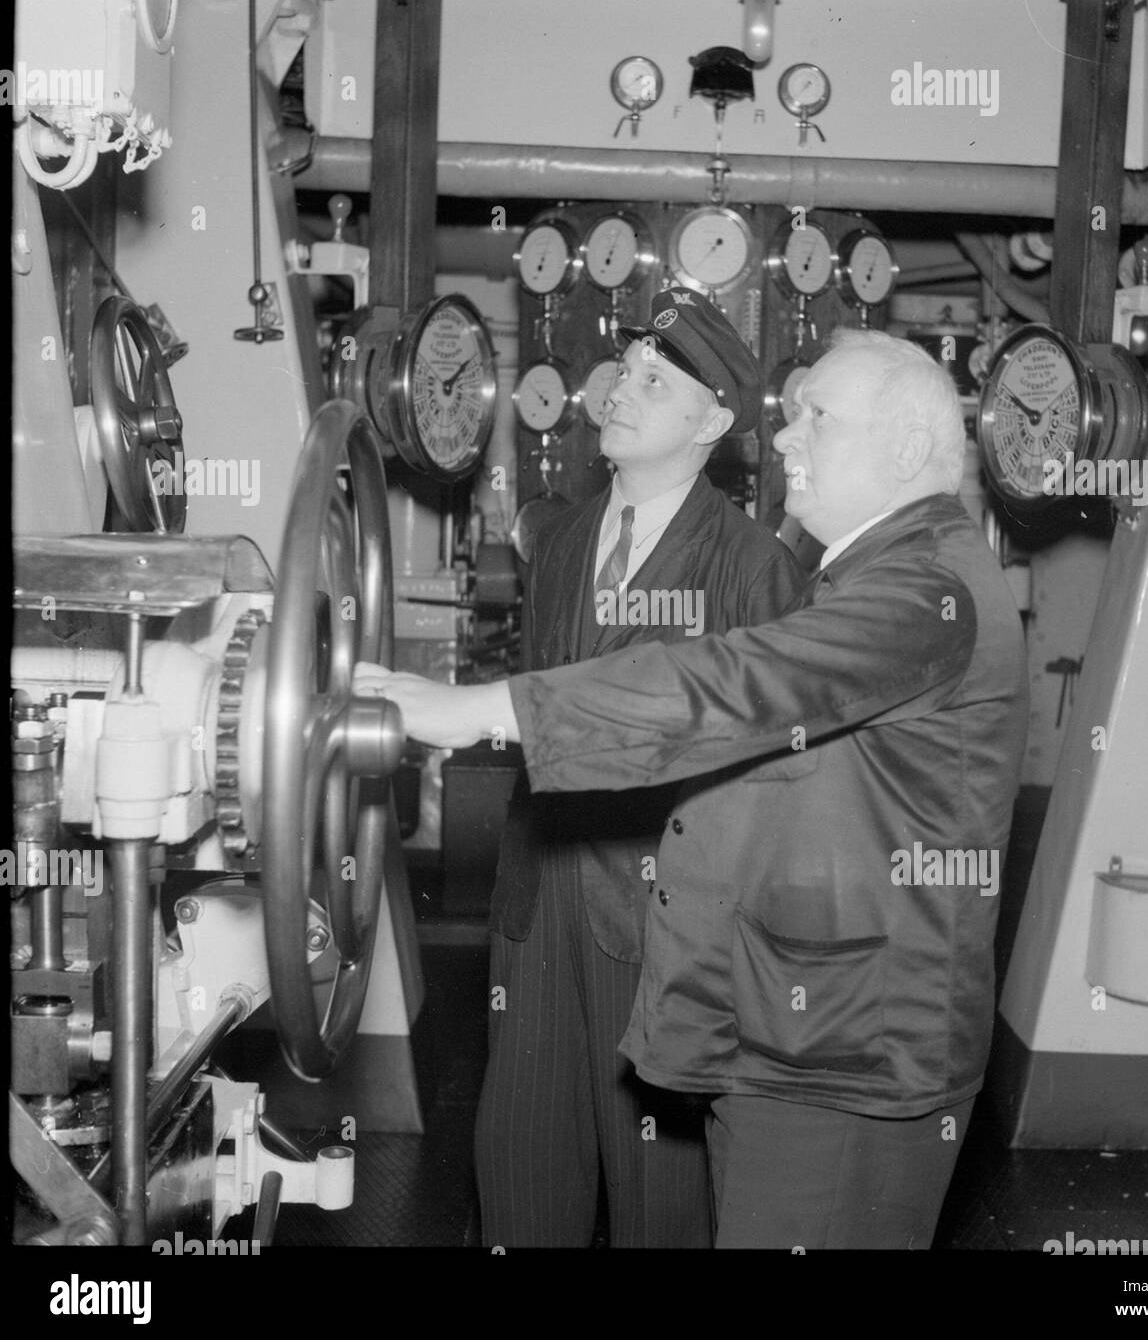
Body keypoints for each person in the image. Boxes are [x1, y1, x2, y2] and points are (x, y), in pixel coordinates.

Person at [359, 328, 1029, 1249]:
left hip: (849, 1057)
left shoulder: (924, 591)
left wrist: (477, 707)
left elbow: (727, 682)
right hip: (794, 1033)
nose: (786, 438)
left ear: (910, 450)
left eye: (816, 418)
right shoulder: (880, 576)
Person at [473, 286, 804, 1247]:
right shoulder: (565, 539)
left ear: (714, 420)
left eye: (655, 381)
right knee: (520, 1168)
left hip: (665, 927)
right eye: (624, 369)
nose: (620, 388)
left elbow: (772, 780)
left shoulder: (752, 570)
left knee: (662, 1196)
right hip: (536, 905)